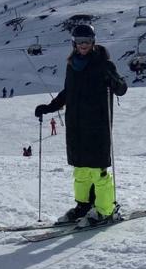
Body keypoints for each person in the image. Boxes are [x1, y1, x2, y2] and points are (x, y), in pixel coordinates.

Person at [34, 24, 128, 227]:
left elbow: (121, 89)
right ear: (73, 43)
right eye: (79, 41)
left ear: (93, 42)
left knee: (97, 171)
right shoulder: (72, 65)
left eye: (87, 41)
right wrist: (49, 107)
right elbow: (68, 92)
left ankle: (105, 209)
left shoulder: (104, 64)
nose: (83, 45)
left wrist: (115, 81)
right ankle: (84, 206)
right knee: (81, 171)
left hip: (97, 126)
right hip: (76, 127)